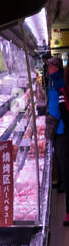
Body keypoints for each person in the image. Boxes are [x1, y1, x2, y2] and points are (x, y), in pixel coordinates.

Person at [47, 56, 67, 223]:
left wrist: (53, 121)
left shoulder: (60, 82)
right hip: (56, 123)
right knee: (58, 155)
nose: (48, 69)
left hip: (60, 126)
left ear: (57, 67)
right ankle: (60, 180)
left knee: (61, 157)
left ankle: (62, 183)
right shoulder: (53, 80)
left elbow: (61, 107)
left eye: (50, 66)